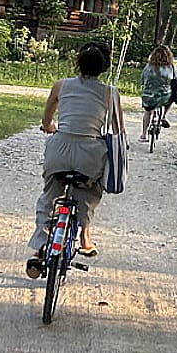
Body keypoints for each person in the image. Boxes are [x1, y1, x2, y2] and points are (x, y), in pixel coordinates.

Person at [25, 41, 124, 278]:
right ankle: (85, 235)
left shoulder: (61, 85)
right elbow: (117, 129)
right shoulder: (111, 92)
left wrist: (49, 126)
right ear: (105, 67)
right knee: (90, 191)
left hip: (59, 150)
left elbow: (47, 118)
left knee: (50, 195)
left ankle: (40, 247)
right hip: (89, 154)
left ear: (77, 63)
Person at [139, 45, 176, 142]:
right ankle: (163, 116)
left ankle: (143, 135)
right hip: (164, 96)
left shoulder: (148, 67)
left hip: (148, 96)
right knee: (172, 97)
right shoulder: (171, 67)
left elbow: (142, 80)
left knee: (148, 112)